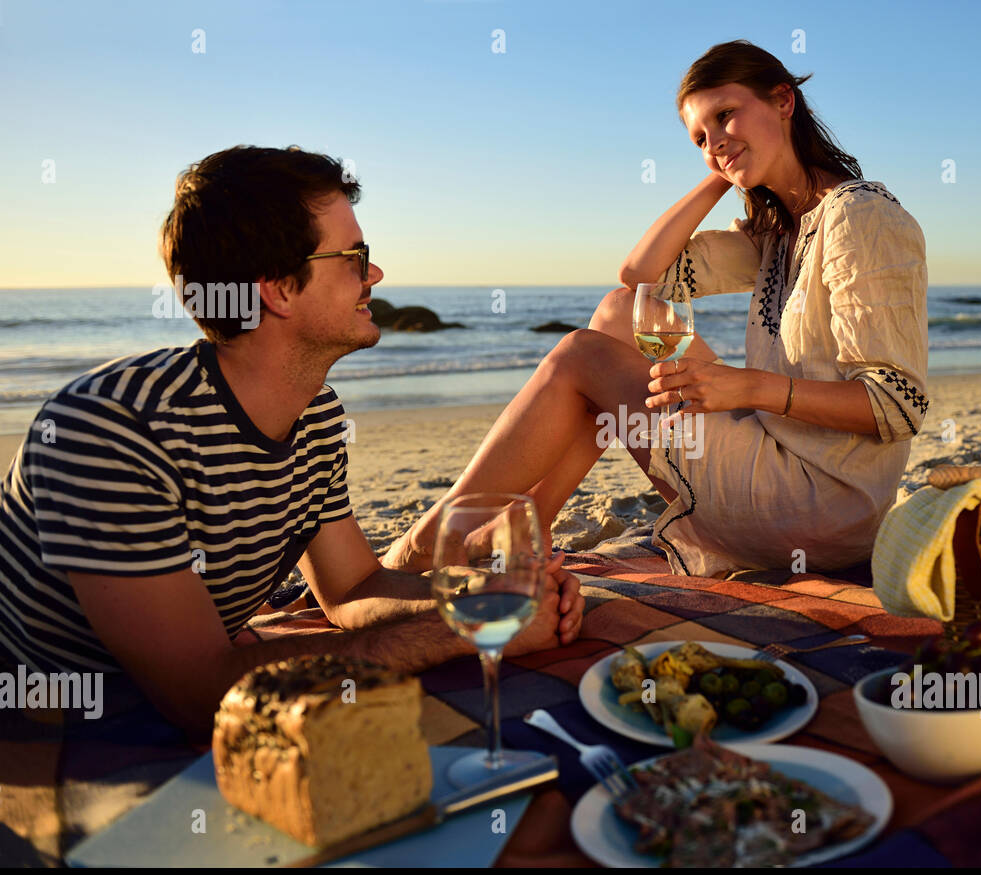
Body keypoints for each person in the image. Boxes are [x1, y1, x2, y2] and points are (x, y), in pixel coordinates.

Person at [0, 146, 583, 739]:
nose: (374, 276)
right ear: (277, 290)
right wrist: (459, 629)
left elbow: (353, 589)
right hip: (56, 726)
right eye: (356, 257)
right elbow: (199, 693)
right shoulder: (111, 431)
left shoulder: (316, 415)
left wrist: (486, 597)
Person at [383, 40, 928, 579]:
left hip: (824, 505)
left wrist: (746, 387)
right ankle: (532, 518)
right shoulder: (779, 230)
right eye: (699, 136)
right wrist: (726, 165)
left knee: (579, 356)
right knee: (621, 312)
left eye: (727, 115)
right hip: (779, 452)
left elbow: (898, 406)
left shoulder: (861, 219)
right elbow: (641, 277)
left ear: (784, 101)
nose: (713, 139)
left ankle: (430, 541)